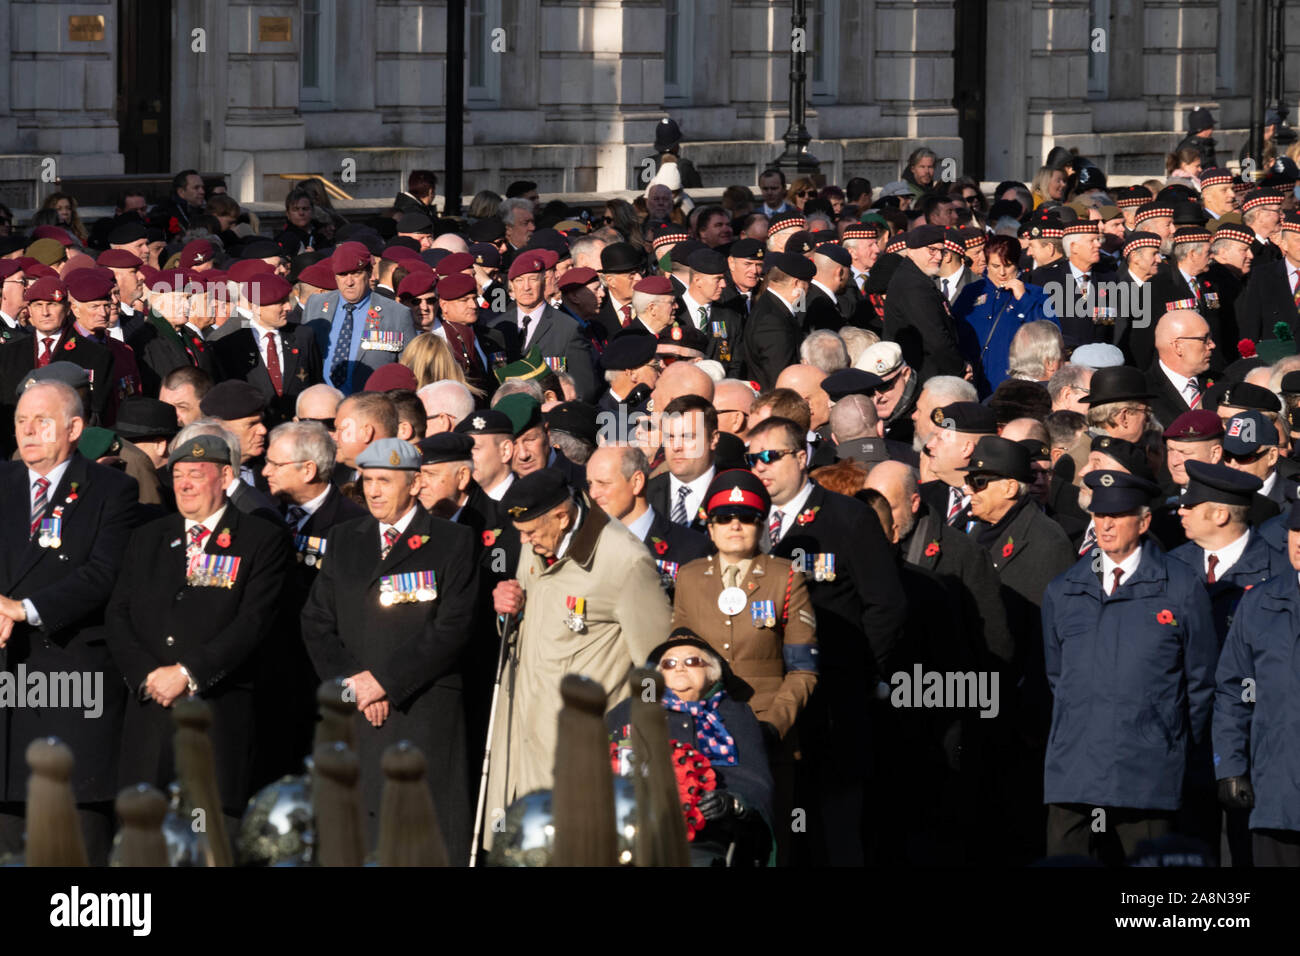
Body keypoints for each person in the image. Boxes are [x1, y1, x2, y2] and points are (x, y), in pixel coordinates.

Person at [301, 437, 478, 861]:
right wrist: (354, 685)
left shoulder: (452, 541)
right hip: (354, 714)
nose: (373, 490)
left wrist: (384, 682)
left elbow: (452, 628)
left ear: (415, 484)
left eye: (384, 480)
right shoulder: (344, 538)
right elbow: (316, 621)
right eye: (367, 480)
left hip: (419, 712)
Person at [107, 433, 291, 835]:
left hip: (215, 721)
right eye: (177, 475)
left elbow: (253, 623)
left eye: (195, 473)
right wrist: (147, 676)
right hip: (149, 717)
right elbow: (118, 614)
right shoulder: (149, 536)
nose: (184, 484)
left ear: (225, 476)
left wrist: (188, 672)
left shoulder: (260, 539)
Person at [749, 415, 904, 864]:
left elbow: (886, 604)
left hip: (833, 703)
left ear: (802, 457)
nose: (759, 467)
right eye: (752, 458)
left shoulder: (846, 516)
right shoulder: (747, 523)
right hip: (771, 703)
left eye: (770, 456)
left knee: (834, 834)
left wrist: (859, 672)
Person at [1041, 469, 1217, 864]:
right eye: (1100, 516)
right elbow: (1057, 676)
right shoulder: (1064, 589)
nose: (1105, 525)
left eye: (1117, 516)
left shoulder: (1180, 587)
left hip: (1147, 768)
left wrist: (1166, 735)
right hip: (1075, 765)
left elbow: (1201, 679)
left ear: (1144, 520)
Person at [483, 469, 670, 834]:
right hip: (520, 739)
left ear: (562, 516)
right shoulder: (536, 544)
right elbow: (527, 628)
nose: (524, 544)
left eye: (531, 532)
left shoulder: (625, 561)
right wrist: (506, 610)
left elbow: (657, 664)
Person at [0, 381, 138, 865]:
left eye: (42, 421)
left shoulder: (112, 490)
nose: (28, 431)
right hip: (8, 689)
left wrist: (23, 609)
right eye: (21, 421)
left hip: (73, 684)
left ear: (75, 428)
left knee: (78, 842)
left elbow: (103, 574)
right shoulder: (3, 484)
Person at [607, 630, 774, 866]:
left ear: (712, 673)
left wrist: (733, 803)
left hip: (705, 840)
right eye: (669, 663)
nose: (679, 668)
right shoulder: (629, 711)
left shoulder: (735, 714)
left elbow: (757, 784)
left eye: (692, 661)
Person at [1215, 500, 1300, 865]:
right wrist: (1231, 766)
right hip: (1276, 787)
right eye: (1296, 532)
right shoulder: (1261, 603)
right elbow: (1234, 690)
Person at [585, 445, 709, 595]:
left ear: (637, 482)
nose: (593, 494)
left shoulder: (691, 548)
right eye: (590, 483)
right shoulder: (586, 544)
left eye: (603, 483)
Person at [304, 242, 417, 395]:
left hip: (371, 405)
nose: (349, 282)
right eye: (342, 275)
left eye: (356, 273)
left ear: (370, 273)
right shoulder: (315, 305)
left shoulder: (397, 314)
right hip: (322, 403)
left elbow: (408, 369)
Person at [212, 272, 323, 426]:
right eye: (281, 303)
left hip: (299, 430)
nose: (288, 307)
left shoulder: (303, 336)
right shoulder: (230, 346)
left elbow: (316, 383)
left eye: (287, 300)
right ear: (256, 307)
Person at [953, 235, 1057, 396]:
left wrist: (1023, 299)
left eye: (1008, 266)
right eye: (995, 266)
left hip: (1014, 385)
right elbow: (953, 330)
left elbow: (1049, 333)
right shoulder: (971, 292)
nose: (1001, 272)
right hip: (973, 382)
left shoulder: (1035, 294)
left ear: (1017, 263)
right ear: (986, 263)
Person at [883, 225, 966, 383]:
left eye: (941, 251)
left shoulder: (916, 278)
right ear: (912, 250)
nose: (938, 257)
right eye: (932, 250)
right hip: (924, 377)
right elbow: (935, 339)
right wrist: (960, 369)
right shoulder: (913, 285)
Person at [738, 252, 815, 391]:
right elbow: (780, 376)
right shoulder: (772, 322)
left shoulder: (771, 306)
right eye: (808, 284)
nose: (809, 290)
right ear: (797, 283)